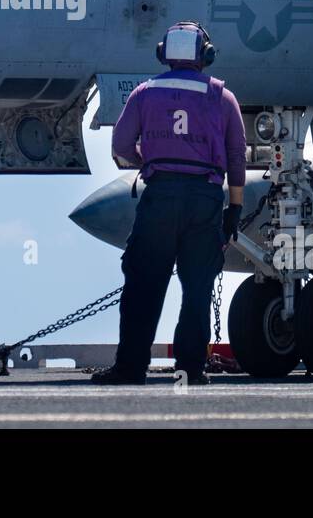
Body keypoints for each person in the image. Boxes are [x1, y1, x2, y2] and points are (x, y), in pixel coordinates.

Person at [92, 21, 248, 386]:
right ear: (205, 56)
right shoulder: (222, 98)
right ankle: (190, 370)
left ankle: (130, 368)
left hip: (159, 196)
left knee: (143, 285)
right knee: (197, 287)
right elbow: (237, 157)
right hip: (204, 199)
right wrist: (235, 209)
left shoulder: (145, 94)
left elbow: (120, 146)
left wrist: (145, 160)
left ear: (163, 53)